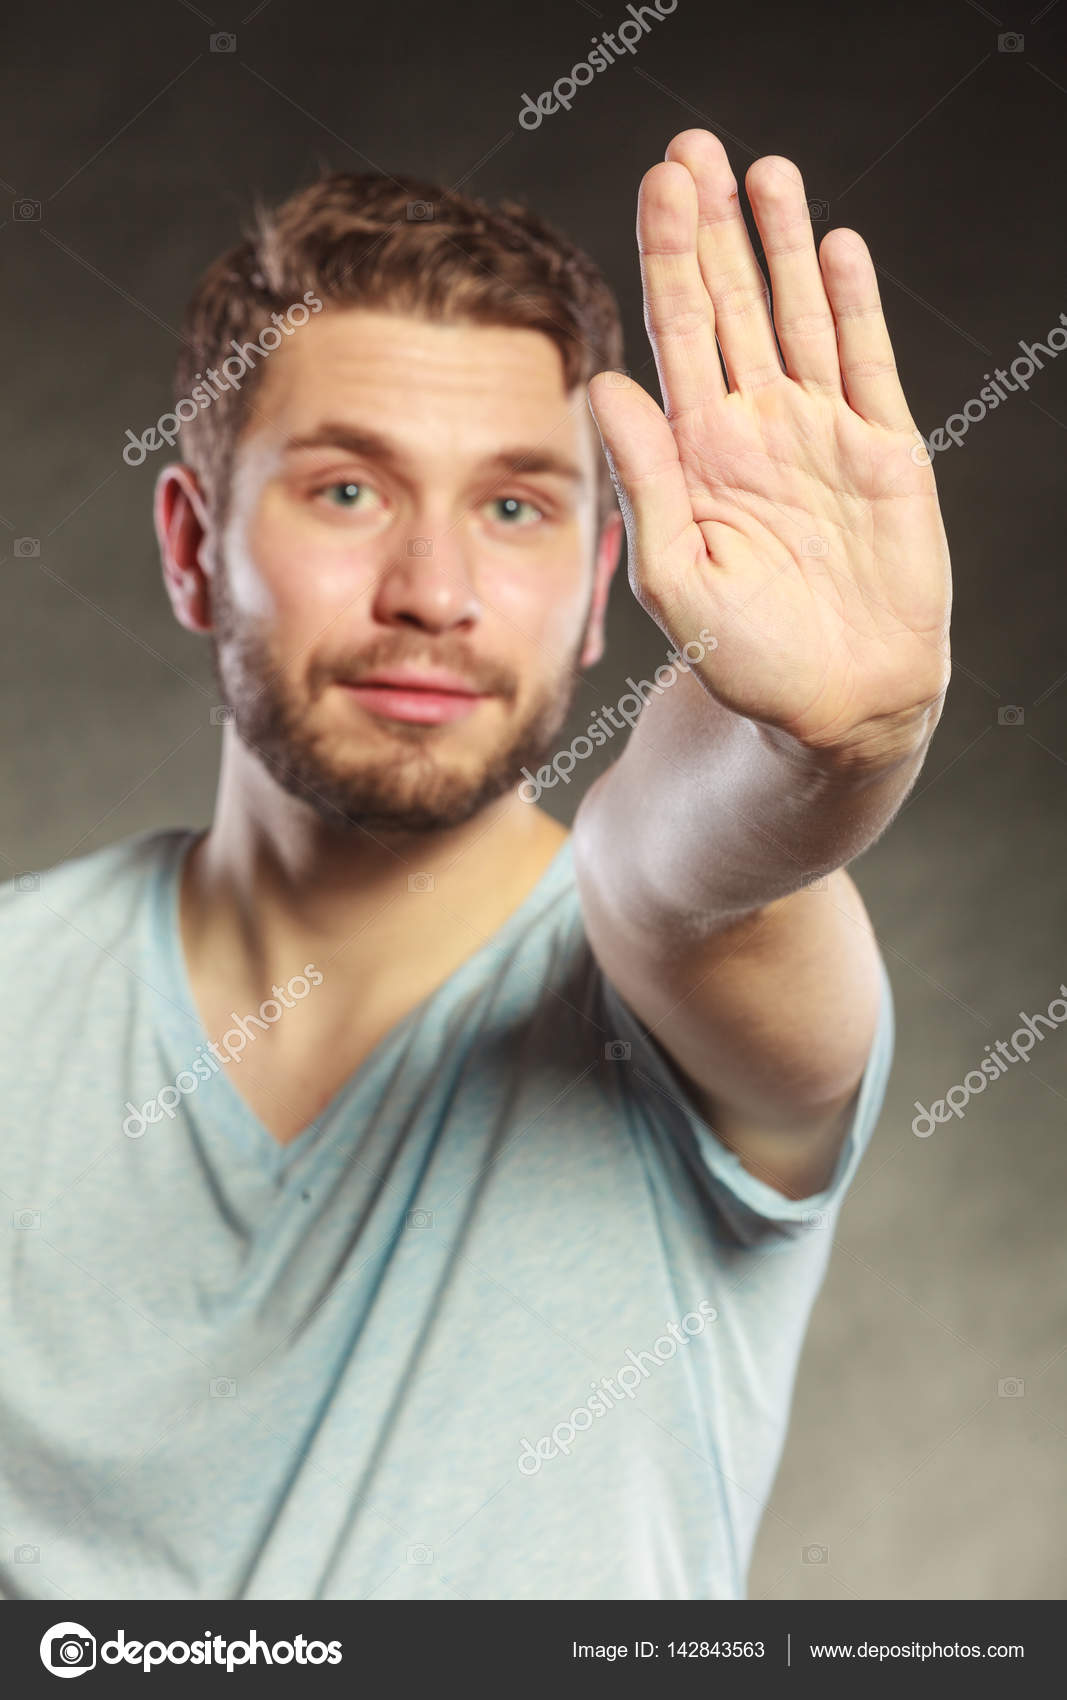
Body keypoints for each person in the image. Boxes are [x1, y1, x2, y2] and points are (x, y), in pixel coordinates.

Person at [0, 129, 951, 1601]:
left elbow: (676, 870)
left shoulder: (674, 985)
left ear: (592, 591)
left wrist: (832, 746)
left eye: (515, 508)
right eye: (346, 491)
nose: (433, 594)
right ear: (191, 548)